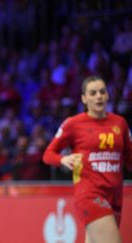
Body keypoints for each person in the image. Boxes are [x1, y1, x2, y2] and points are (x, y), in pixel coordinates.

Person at [43, 76, 132, 243]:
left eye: (102, 92)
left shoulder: (120, 123)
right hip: (89, 194)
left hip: (115, 196)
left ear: (107, 96)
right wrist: (63, 159)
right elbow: (48, 154)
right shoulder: (73, 124)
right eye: (93, 93)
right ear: (84, 98)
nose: (98, 96)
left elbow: (129, 159)